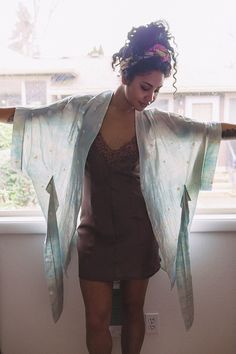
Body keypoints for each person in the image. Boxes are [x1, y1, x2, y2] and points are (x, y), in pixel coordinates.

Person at [0, 19, 236, 354]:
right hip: (93, 235)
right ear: (125, 73)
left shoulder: (154, 123)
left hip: (139, 236)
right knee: (95, 320)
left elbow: (203, 130)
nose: (150, 97)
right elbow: (35, 116)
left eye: (156, 90)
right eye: (144, 87)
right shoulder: (82, 112)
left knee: (133, 313)